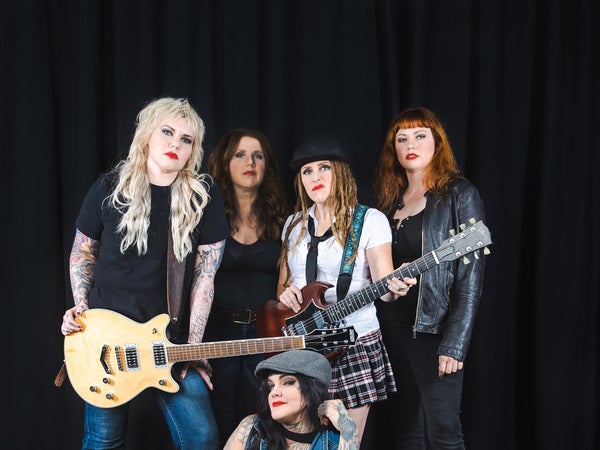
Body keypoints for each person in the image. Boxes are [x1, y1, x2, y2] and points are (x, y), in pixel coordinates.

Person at [60, 97, 229, 449]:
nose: (175, 143)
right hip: (106, 340)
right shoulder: (109, 187)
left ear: (193, 150)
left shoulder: (203, 196)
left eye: (186, 139)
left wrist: (193, 345)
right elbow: (83, 252)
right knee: (103, 441)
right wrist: (81, 308)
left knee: (201, 438)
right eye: (167, 132)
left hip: (170, 343)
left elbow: (205, 277)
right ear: (147, 134)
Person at [276, 134, 416, 445]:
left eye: (324, 168)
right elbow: (284, 285)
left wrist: (396, 286)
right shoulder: (293, 225)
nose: (315, 177)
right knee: (299, 443)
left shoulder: (369, 220)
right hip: (302, 344)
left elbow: (385, 288)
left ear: (340, 172)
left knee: (345, 443)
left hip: (353, 342)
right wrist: (285, 293)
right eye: (307, 171)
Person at [371, 106, 487, 449]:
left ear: (437, 142)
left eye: (420, 135)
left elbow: (471, 278)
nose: (411, 144)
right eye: (402, 138)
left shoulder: (460, 195)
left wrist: (455, 343)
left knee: (444, 435)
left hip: (433, 331)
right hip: (389, 328)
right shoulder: (388, 202)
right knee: (405, 431)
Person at [205, 128, 288, 446]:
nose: (249, 162)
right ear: (226, 162)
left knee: (271, 417)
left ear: (267, 165)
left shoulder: (282, 217)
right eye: (240, 154)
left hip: (266, 331)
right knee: (220, 418)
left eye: (258, 155)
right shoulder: (206, 215)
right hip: (218, 330)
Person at [224, 349, 360, 450]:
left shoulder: (336, 440)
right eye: (271, 386)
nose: (274, 392)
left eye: (287, 382)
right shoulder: (252, 428)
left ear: (312, 389)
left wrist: (348, 429)